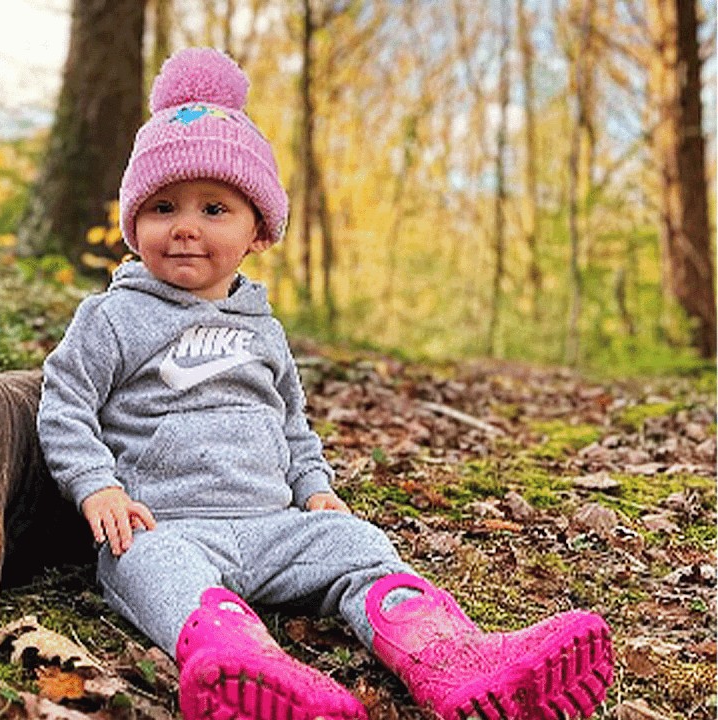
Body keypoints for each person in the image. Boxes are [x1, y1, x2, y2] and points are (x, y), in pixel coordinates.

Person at [37, 47, 613, 720]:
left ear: (259, 232)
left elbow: (291, 426)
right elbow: (65, 405)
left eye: (215, 208)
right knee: (148, 565)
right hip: (171, 523)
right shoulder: (114, 317)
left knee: (361, 545)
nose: (186, 226)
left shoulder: (263, 329)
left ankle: (450, 658)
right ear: (134, 223)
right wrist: (97, 485)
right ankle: (244, 666)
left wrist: (316, 492)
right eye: (163, 206)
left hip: (278, 527)